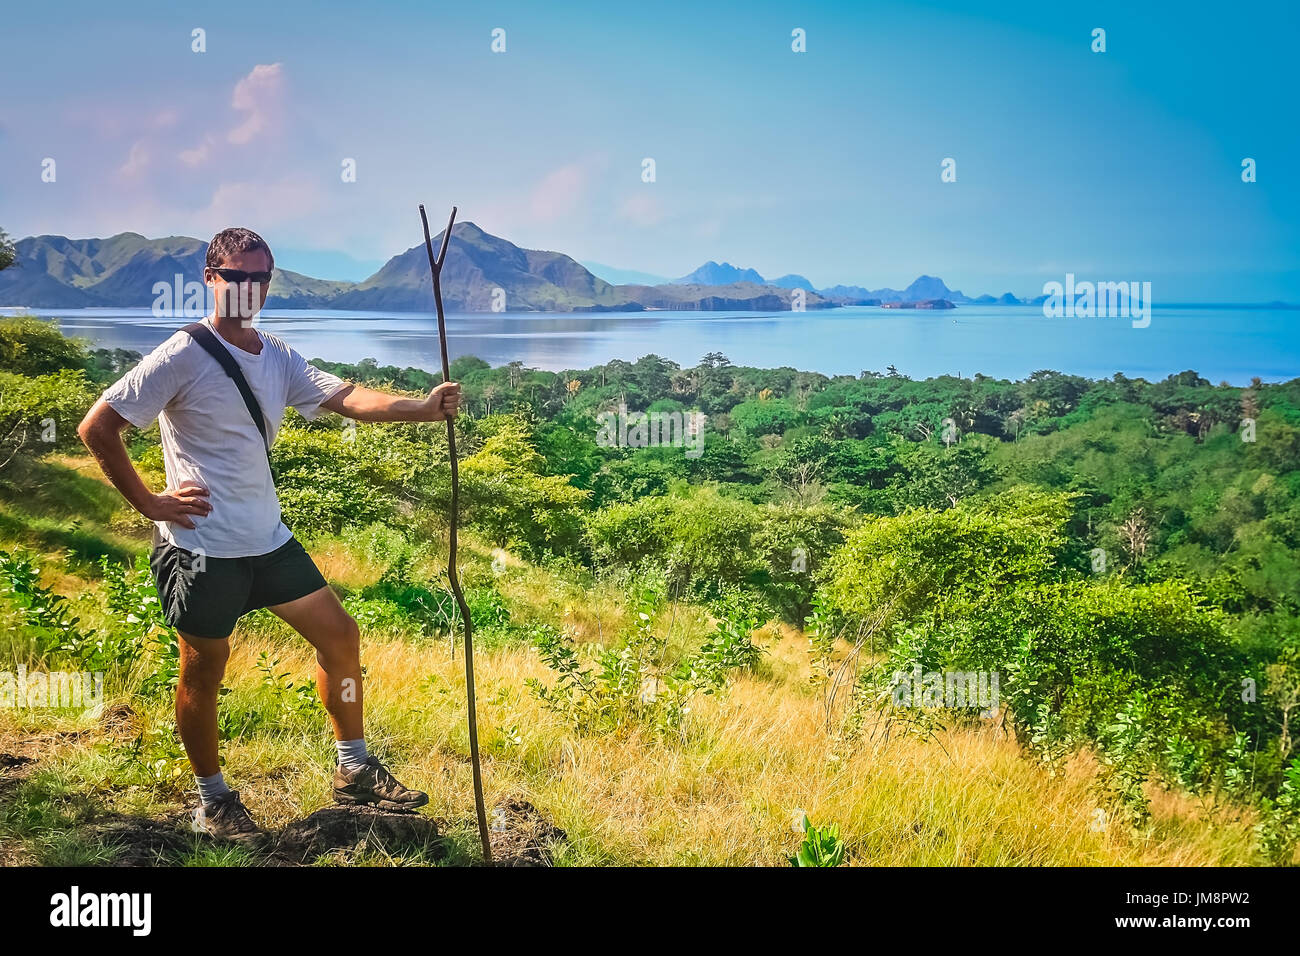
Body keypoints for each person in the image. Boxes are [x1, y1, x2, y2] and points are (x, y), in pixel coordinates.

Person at [78, 226, 462, 845]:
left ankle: (355, 768)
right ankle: (214, 800)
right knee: (204, 671)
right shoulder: (180, 354)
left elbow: (347, 397)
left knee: (339, 635)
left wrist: (419, 407)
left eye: (260, 278)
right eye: (237, 277)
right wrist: (150, 501)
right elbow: (98, 427)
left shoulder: (276, 353)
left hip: (267, 539)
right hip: (202, 546)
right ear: (211, 279)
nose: (249, 290)